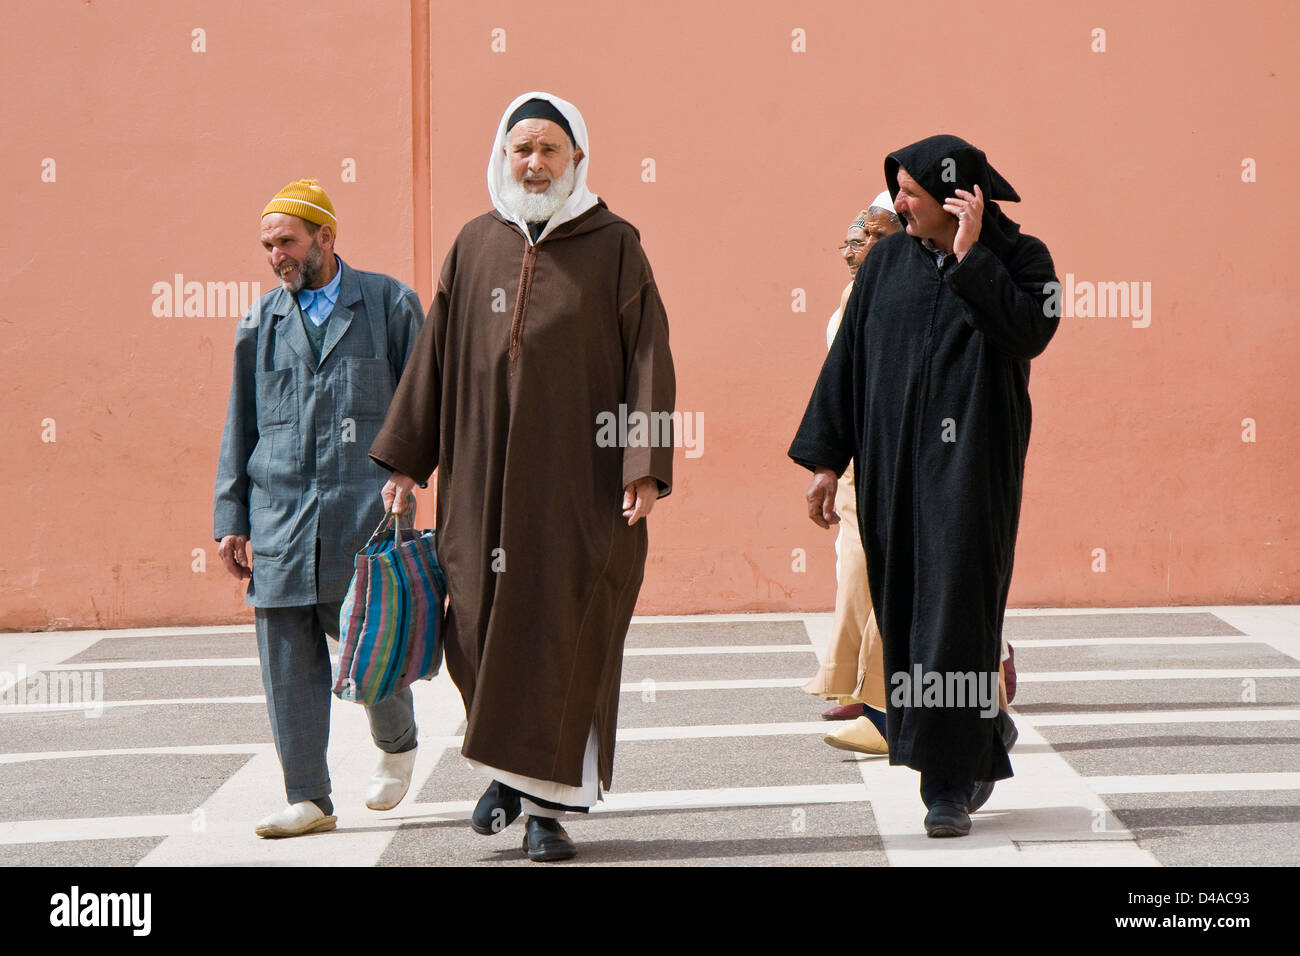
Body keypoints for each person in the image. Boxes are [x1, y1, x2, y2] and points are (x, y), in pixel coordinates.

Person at [368, 92, 676, 863]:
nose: (534, 164)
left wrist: (643, 465)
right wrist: (408, 462)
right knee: (471, 622)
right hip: (479, 482)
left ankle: (544, 809)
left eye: (549, 150)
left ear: (577, 159)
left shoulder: (615, 246)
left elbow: (649, 360)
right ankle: (503, 773)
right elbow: (433, 361)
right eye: (521, 150)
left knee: (562, 631)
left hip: (577, 488)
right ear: (503, 158)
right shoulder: (474, 246)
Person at [788, 135, 1058, 838]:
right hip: (892, 475)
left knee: (958, 614)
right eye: (897, 189)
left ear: (957, 196)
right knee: (907, 613)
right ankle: (979, 735)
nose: (897, 204)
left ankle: (945, 783)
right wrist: (826, 461)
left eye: (909, 192)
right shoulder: (886, 264)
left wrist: (973, 259)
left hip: (973, 475)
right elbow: (847, 365)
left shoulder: (1023, 260)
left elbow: (1030, 332)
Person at [214, 179, 426, 838]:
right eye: (267, 246)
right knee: (285, 657)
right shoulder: (259, 322)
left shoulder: (389, 303)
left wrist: (409, 470)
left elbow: (421, 400)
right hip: (278, 514)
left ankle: (397, 746)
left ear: (325, 238)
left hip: (365, 508)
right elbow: (239, 425)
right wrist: (231, 516)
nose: (276, 256)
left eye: (287, 242)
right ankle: (308, 795)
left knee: (372, 646)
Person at [803, 194, 901, 760]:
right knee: (859, 573)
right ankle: (868, 693)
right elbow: (841, 386)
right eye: (853, 238)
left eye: (867, 237)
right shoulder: (861, 292)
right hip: (867, 460)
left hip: (907, 460)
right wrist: (827, 462)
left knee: (884, 578)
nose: (851, 251)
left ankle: (888, 709)